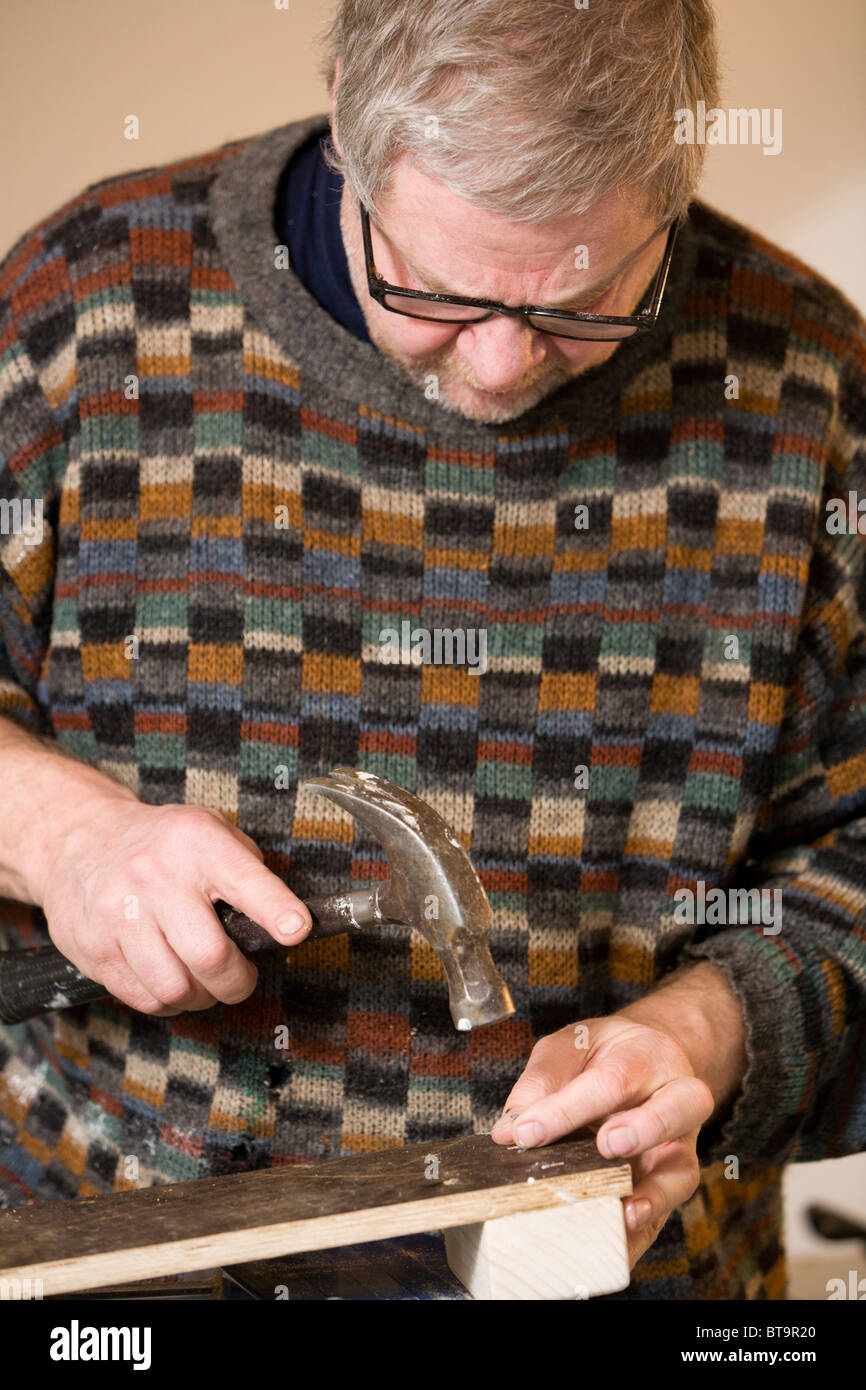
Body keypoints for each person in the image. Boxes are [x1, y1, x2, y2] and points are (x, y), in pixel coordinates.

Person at [0, 0, 863, 1301]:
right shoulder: (87, 314)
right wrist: (62, 835)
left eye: (584, 302)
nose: (507, 362)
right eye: (438, 291)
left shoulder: (810, 393)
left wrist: (712, 1028)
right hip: (105, 1274)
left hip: (615, 1276)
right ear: (350, 118)